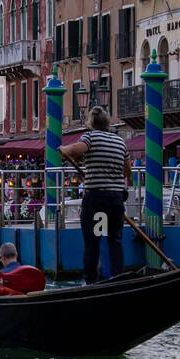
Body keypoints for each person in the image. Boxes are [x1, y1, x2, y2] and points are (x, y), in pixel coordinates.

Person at [59, 106, 131, 284]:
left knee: (93, 241)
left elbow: (74, 150)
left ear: (91, 123)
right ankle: (117, 278)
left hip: (97, 200)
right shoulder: (120, 141)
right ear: (107, 122)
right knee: (114, 240)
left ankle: (91, 281)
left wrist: (63, 148)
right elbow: (127, 171)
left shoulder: (90, 137)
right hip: (116, 199)